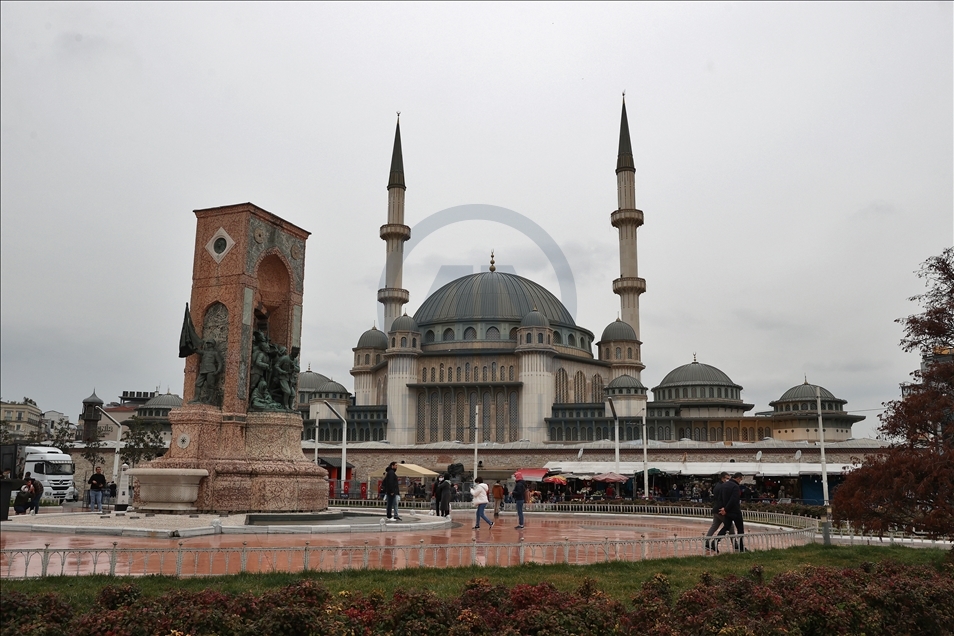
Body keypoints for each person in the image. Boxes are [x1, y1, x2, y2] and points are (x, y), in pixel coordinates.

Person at [718, 472, 746, 552]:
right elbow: (734, 499)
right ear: (738, 478)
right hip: (735, 511)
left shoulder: (724, 485)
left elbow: (721, 498)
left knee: (726, 527)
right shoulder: (735, 486)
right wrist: (726, 509)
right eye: (741, 479)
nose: (740, 481)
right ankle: (741, 547)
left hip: (727, 511)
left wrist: (724, 509)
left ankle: (715, 542)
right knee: (740, 529)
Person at [704, 472, 730, 553]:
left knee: (714, 526)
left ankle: (707, 542)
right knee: (730, 526)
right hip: (720, 509)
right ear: (723, 478)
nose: (728, 480)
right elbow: (723, 499)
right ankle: (736, 544)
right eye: (727, 478)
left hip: (716, 508)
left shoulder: (716, 486)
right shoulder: (723, 487)